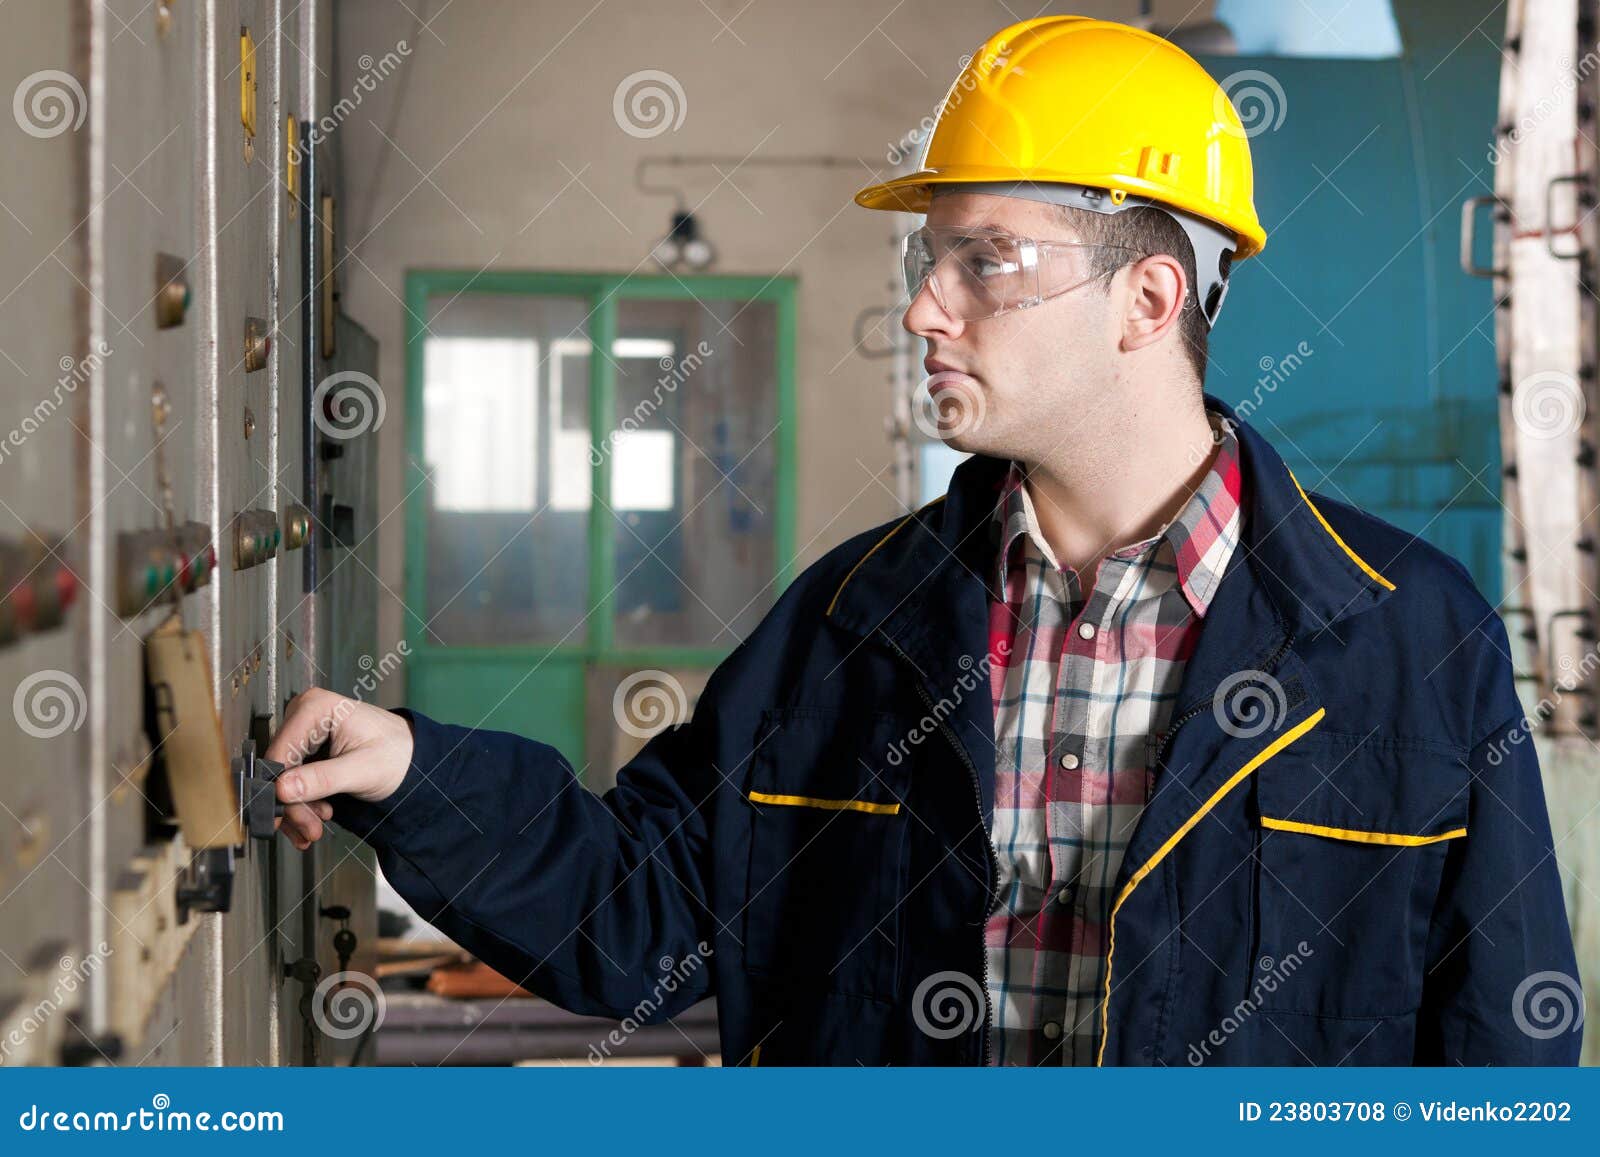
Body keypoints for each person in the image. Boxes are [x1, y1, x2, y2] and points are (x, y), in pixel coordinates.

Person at [267, 15, 1580, 1065]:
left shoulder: (1406, 636)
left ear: (1149, 293)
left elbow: (1500, 1046)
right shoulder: (854, 623)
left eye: (986, 261)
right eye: (928, 262)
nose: (924, 311)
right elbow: (646, 912)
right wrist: (418, 777)